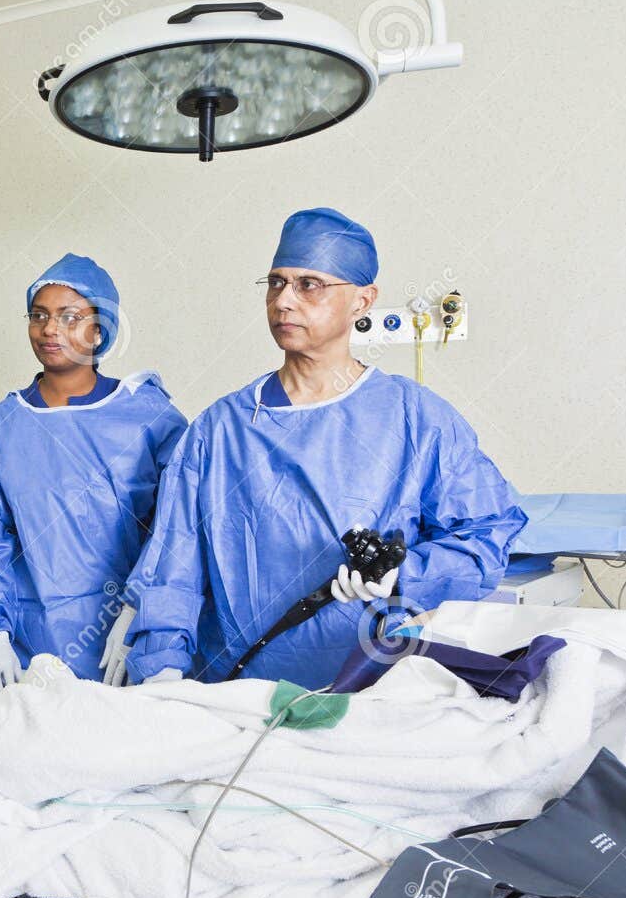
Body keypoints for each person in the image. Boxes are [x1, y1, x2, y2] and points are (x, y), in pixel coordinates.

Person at [127, 208, 527, 690]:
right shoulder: (220, 430)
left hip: (374, 690)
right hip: (238, 696)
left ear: (363, 300)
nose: (284, 302)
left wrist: (403, 573)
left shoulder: (415, 418)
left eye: (309, 285)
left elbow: (488, 531)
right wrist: (161, 671)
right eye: (276, 283)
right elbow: (174, 565)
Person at [0, 253, 187, 690]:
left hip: (131, 642)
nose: (49, 329)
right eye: (39, 315)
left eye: (69, 316)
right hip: (29, 647)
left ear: (99, 329)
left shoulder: (148, 418)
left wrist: (147, 613)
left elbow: (180, 530)